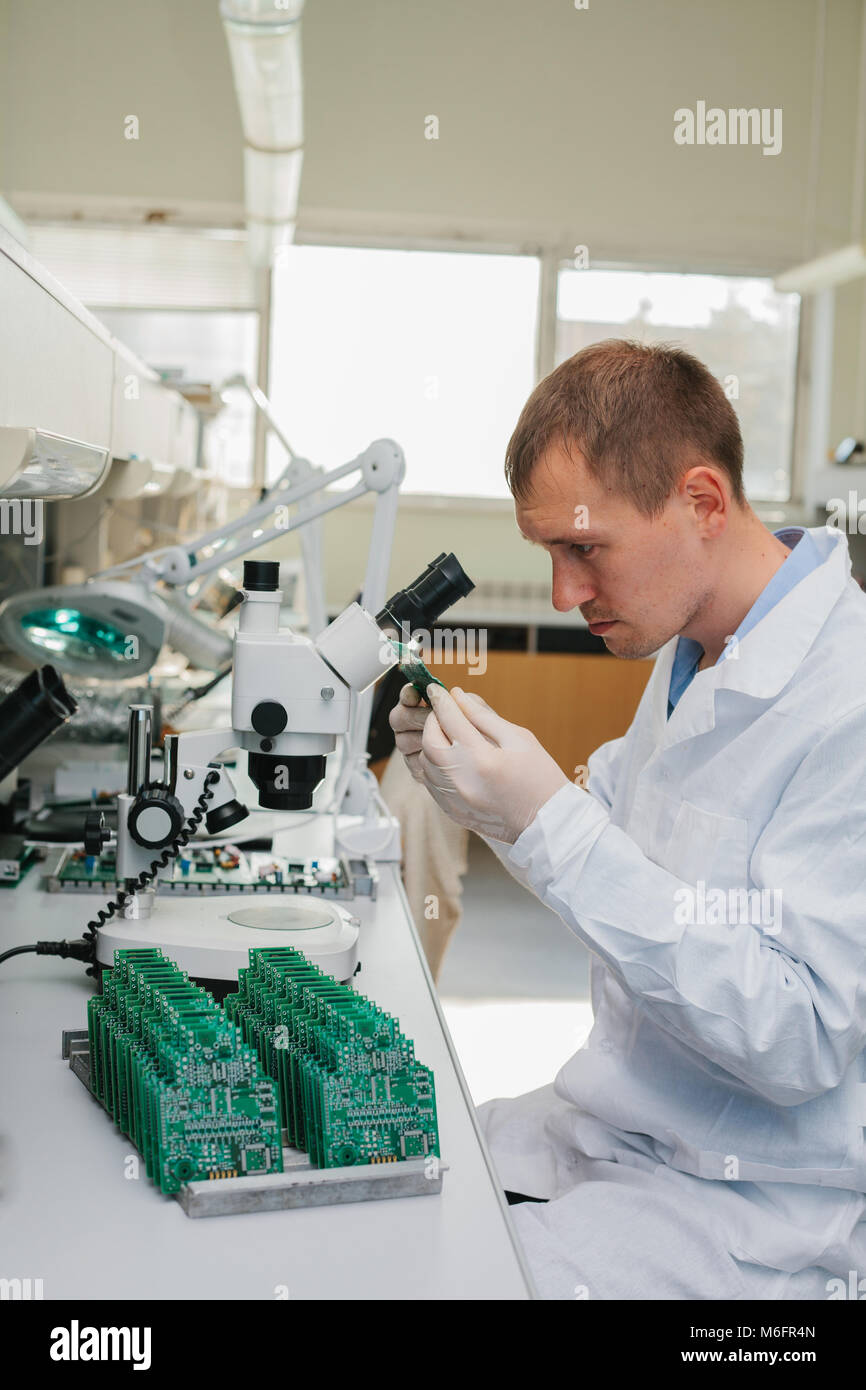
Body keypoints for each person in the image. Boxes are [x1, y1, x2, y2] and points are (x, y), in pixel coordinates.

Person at [389, 339, 866, 1300]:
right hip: (616, 1130)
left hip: (751, 1209)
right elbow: (607, 830)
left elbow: (801, 1037)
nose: (568, 595)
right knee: (378, 1197)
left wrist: (546, 820)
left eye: (584, 548)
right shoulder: (694, 645)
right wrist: (477, 791)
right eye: (552, 555)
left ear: (700, 502)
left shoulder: (845, 700)